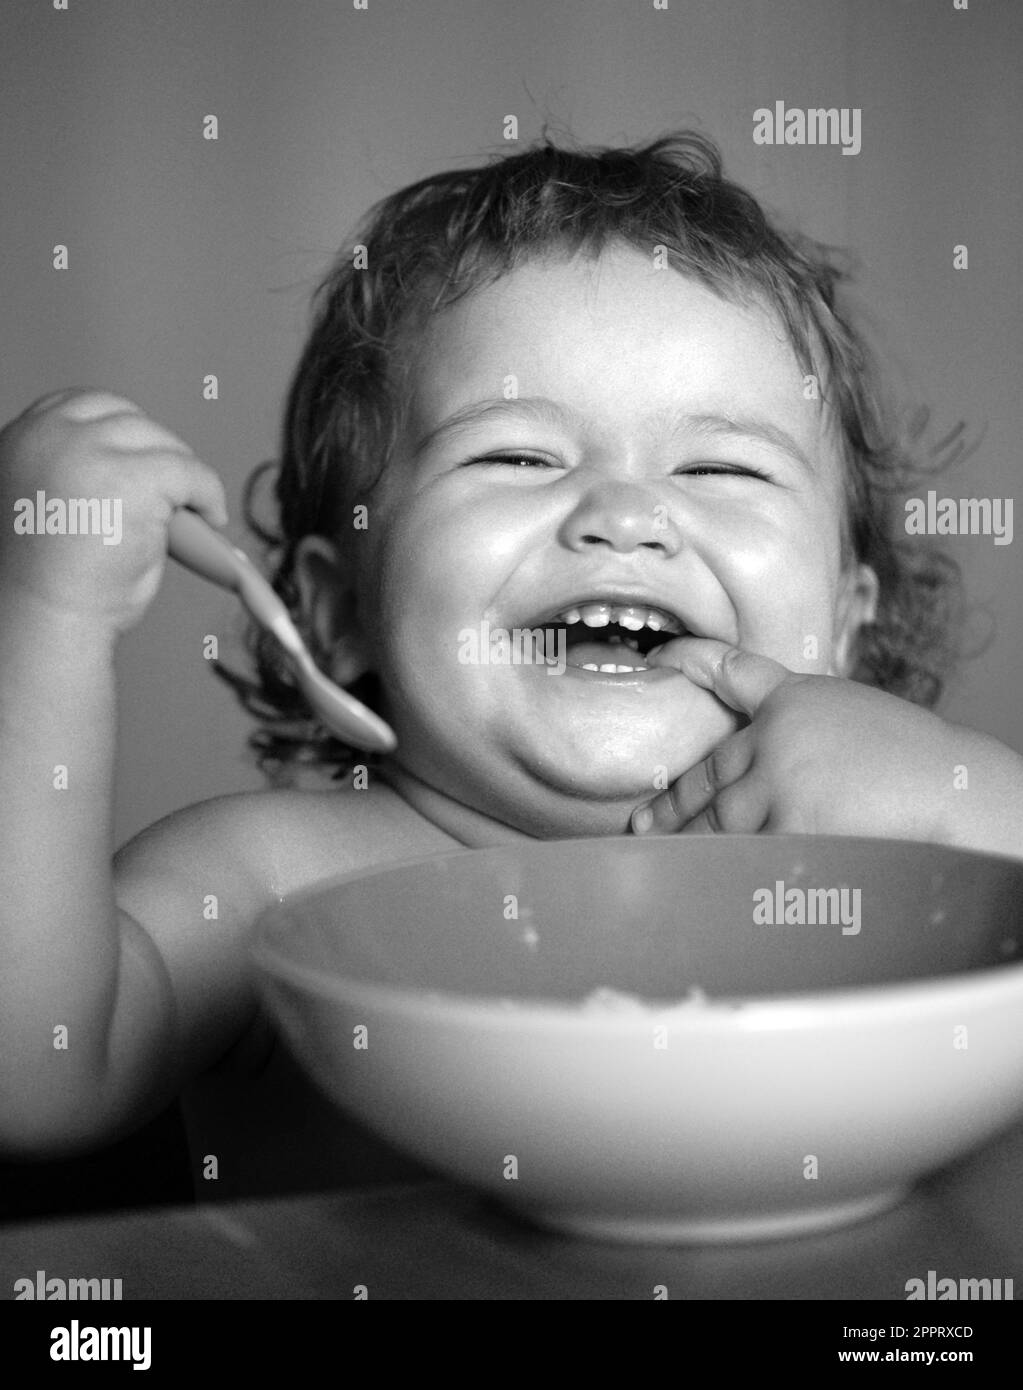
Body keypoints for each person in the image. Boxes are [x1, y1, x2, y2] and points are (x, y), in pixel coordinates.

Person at [2, 132, 1020, 1188]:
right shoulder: (265, 881)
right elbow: (36, 1077)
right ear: (335, 611)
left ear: (847, 626)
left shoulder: (880, 874)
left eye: (720, 468)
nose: (624, 513)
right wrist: (41, 611)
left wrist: (959, 794)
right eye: (517, 455)